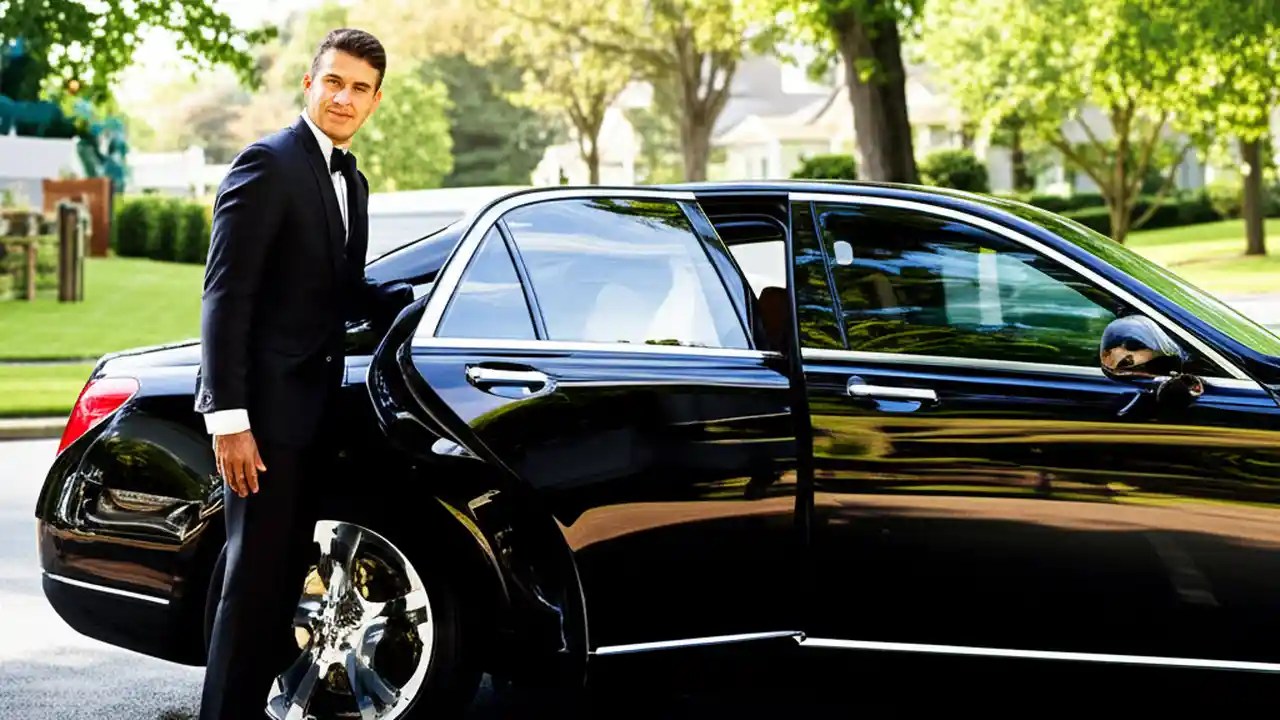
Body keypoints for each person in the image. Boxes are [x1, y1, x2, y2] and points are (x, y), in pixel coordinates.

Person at [195, 28, 386, 720]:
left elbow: (344, 290)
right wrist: (229, 419)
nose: (344, 96)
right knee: (251, 588)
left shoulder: (350, 180)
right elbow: (226, 295)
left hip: (313, 419)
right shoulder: (269, 163)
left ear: (374, 101)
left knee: (279, 589)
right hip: (261, 422)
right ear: (309, 84)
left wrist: (419, 304)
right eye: (333, 81)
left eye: (359, 87)